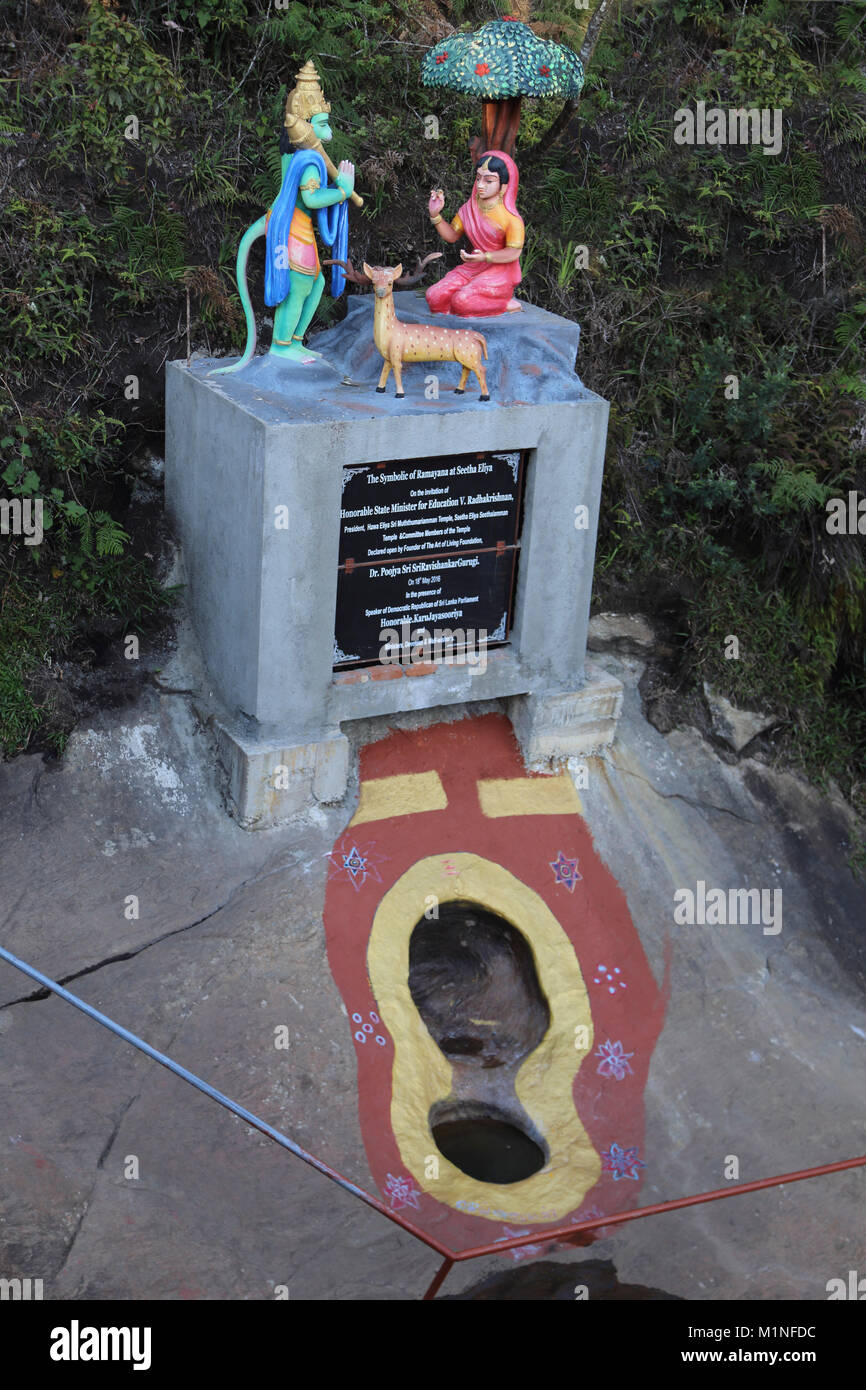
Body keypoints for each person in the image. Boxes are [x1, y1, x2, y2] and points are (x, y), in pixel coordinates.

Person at [426, 150, 524, 318]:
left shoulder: (511, 219)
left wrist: (485, 257)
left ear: (504, 186)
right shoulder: (469, 209)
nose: (480, 185)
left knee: (461, 302)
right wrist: (435, 215)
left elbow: (513, 252)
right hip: (474, 266)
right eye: (478, 178)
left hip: (500, 271)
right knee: (434, 298)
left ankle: (503, 304)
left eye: (488, 181)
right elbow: (451, 236)